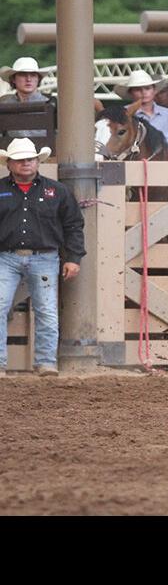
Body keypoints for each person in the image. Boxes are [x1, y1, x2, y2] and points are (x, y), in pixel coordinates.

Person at [0, 138, 85, 377]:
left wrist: (73, 257)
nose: (26, 163)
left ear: (38, 162)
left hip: (45, 256)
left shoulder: (57, 191)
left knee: (46, 310)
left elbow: (73, 225)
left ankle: (46, 362)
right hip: (5, 257)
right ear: (10, 164)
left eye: (30, 159)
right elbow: (73, 225)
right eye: (20, 160)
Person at [115, 69, 168, 149]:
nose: (143, 92)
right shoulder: (121, 115)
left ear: (154, 91)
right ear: (130, 93)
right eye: (138, 89)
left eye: (147, 88)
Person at [0, 56, 54, 140]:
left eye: (33, 75)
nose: (28, 79)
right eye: (22, 75)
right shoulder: (4, 106)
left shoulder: (53, 103)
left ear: (38, 79)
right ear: (13, 79)